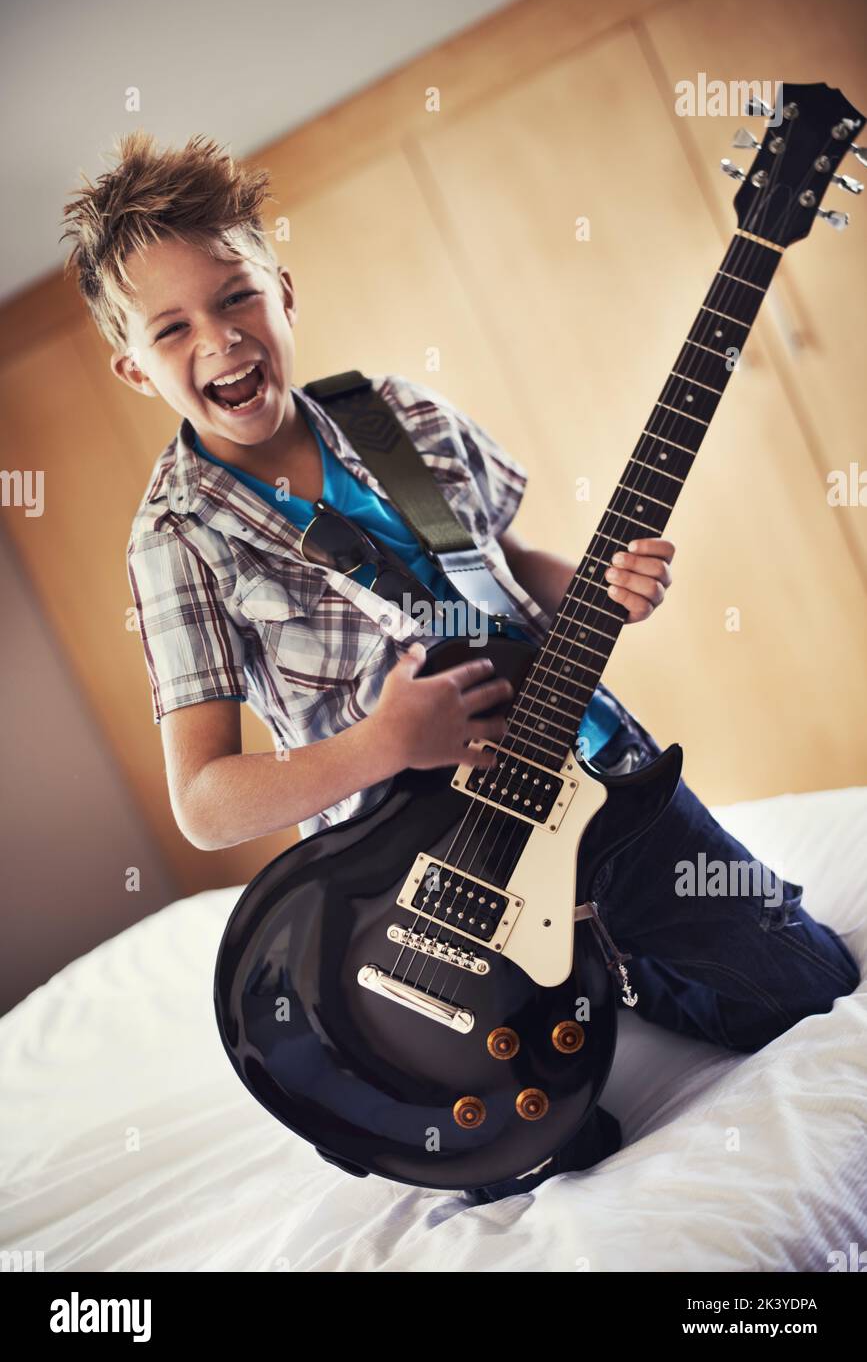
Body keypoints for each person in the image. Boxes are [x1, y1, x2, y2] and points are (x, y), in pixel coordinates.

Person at [60, 131, 861, 1204]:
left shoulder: (397, 414)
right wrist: (383, 741)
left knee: (813, 987)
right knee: (504, 1147)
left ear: (282, 292)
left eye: (237, 297)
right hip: (427, 880)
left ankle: (605, 963)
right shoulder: (175, 540)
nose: (220, 340)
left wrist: (602, 581)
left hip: (592, 781)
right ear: (132, 364)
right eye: (172, 328)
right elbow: (206, 802)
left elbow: (514, 565)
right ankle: (557, 998)